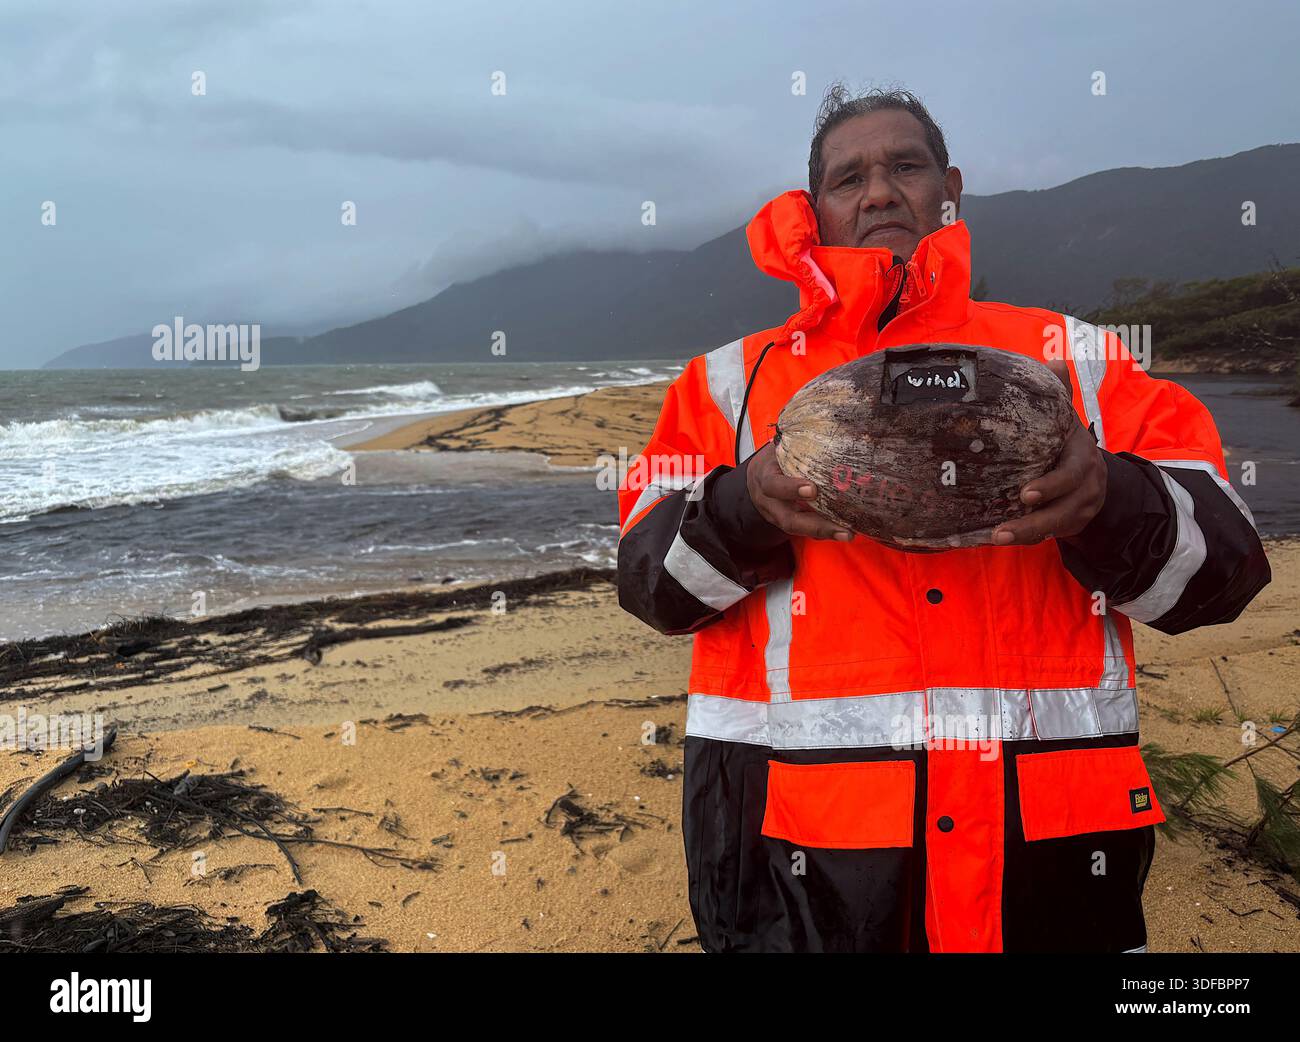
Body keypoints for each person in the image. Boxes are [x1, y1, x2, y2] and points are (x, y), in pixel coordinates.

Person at [615, 84, 1271, 953]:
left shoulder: (1075, 362)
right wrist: (744, 507)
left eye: (905, 166)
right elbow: (650, 587)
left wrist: (1110, 499)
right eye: (850, 178)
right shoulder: (725, 386)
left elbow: (1225, 574)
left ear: (949, 186)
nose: (879, 191)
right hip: (809, 864)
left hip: (1053, 859)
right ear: (815, 211)